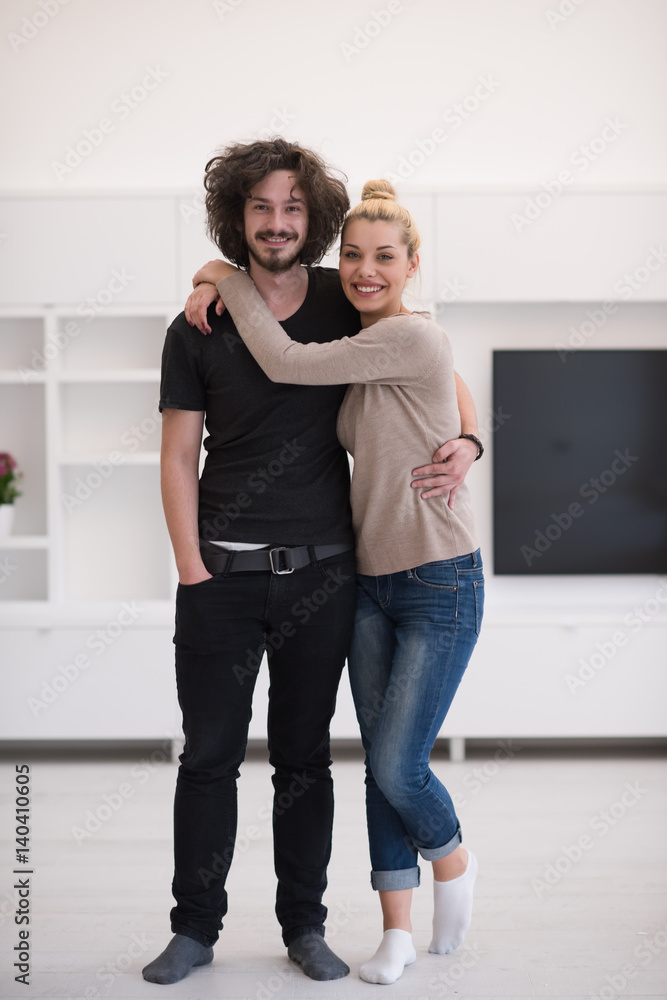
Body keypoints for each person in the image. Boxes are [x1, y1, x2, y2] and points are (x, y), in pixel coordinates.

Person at [142, 139, 480, 987]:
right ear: (239, 216)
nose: (278, 221)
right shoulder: (201, 323)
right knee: (209, 756)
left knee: (304, 761)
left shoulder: (345, 296)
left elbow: (439, 364)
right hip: (219, 574)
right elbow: (177, 455)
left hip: (327, 574)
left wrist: (470, 441)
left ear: (314, 219)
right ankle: (194, 929)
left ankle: (306, 925)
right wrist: (190, 567)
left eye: (293, 207)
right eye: (261, 206)